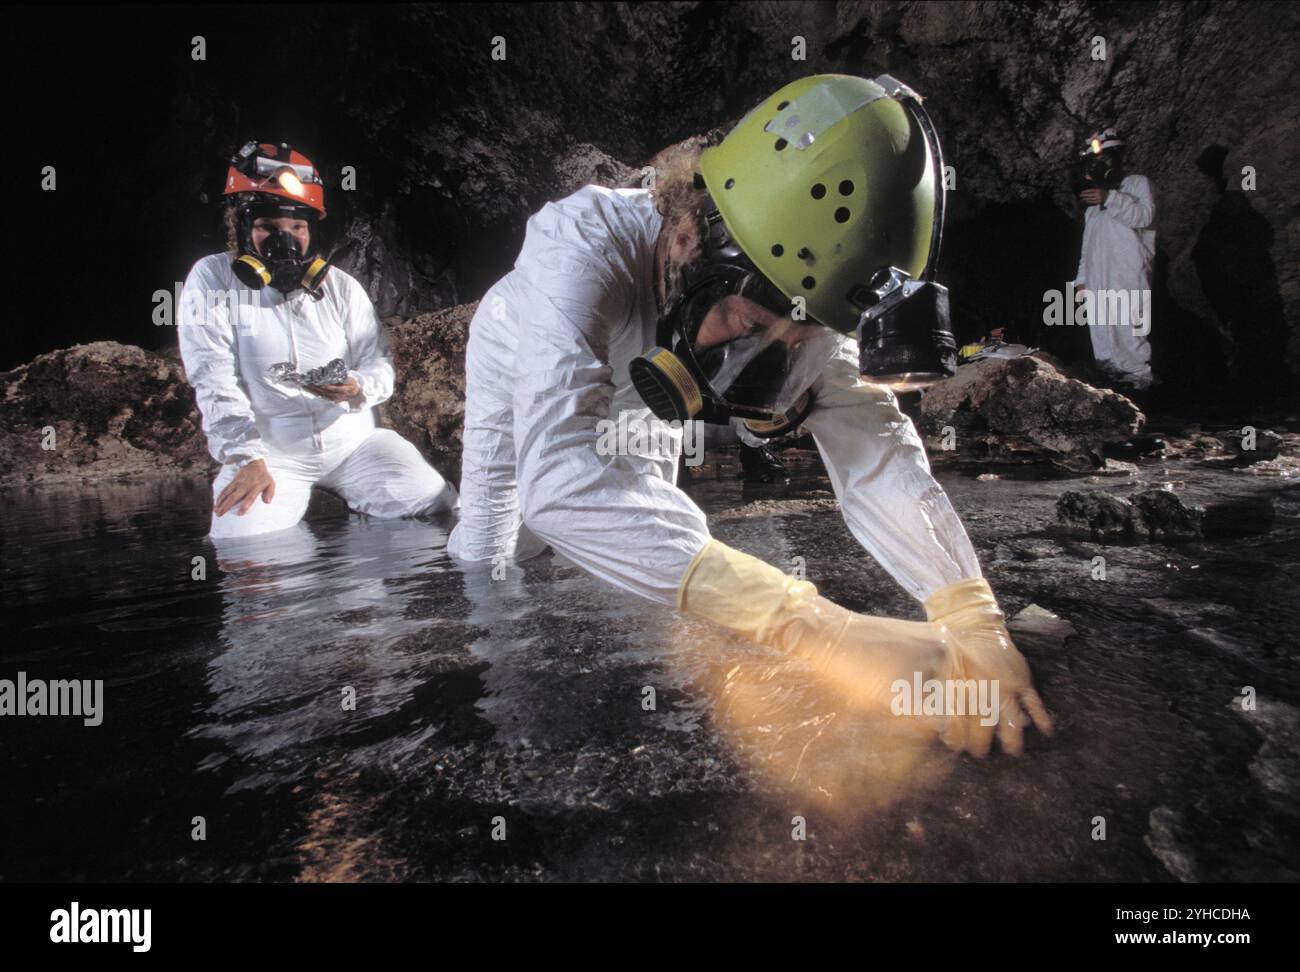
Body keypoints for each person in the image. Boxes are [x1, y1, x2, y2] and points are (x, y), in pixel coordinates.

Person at [448, 76, 1053, 757]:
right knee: (496, 543)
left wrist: (972, 616)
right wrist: (810, 624)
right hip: (518, 361)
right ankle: (504, 719)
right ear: (688, 237)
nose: (764, 362)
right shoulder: (579, 248)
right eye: (747, 321)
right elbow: (556, 484)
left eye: (798, 342)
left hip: (647, 381)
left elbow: (879, 458)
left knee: (651, 547)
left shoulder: (814, 299)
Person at [179, 141, 457, 540]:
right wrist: (246, 458)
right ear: (240, 227)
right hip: (272, 455)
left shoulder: (341, 288)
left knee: (436, 506)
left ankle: (362, 536)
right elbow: (213, 378)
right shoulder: (211, 280)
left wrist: (359, 386)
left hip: (353, 446)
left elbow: (380, 365)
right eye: (268, 227)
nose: (285, 239)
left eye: (297, 227)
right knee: (243, 547)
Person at [1072, 128, 1157, 392]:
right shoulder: (1092, 207)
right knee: (1100, 328)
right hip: (1098, 276)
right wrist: (1081, 280)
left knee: (1127, 328)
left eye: (1104, 159)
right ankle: (1109, 383)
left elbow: (1143, 217)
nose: (1098, 165)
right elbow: (1087, 247)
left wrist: (1110, 198)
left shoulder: (1137, 183)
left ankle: (1139, 382)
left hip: (1127, 271)